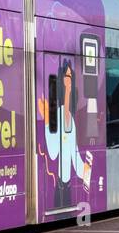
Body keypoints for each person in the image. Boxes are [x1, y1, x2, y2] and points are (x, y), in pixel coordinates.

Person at [36, 59, 92, 211]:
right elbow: (53, 153)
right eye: (66, 78)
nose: (69, 82)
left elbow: (75, 156)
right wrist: (47, 120)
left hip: (67, 188)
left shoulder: (70, 121)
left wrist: (85, 169)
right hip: (59, 186)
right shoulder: (58, 115)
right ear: (62, 82)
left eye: (71, 78)